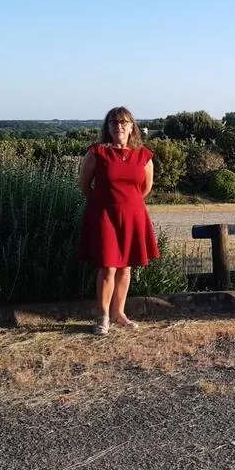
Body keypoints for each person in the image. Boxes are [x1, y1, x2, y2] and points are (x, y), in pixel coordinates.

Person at [78, 107, 160, 335]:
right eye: (114, 122)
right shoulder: (97, 153)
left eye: (124, 122)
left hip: (133, 216)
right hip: (105, 216)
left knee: (125, 267)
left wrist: (127, 203)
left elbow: (145, 188)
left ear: (132, 126)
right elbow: (84, 185)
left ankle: (119, 313)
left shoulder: (144, 155)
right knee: (108, 266)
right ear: (107, 127)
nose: (119, 126)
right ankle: (103, 316)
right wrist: (104, 203)